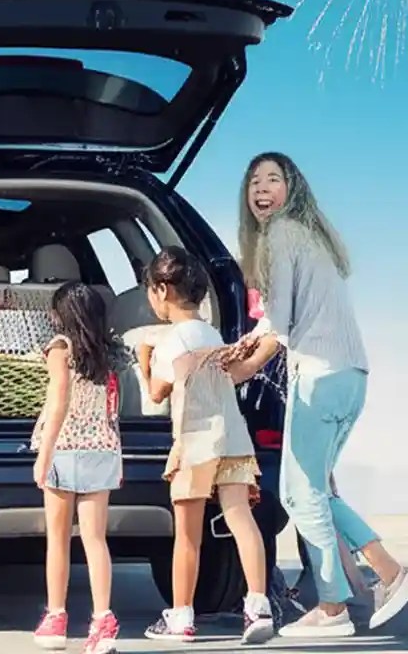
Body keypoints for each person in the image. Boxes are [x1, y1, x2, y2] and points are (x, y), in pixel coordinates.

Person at [223, 152, 407, 637]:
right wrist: (252, 336)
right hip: (350, 377)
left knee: (301, 494)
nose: (262, 188)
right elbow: (285, 316)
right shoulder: (310, 237)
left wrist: (232, 373)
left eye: (273, 179)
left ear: (292, 188)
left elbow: (280, 324)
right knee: (311, 490)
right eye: (254, 181)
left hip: (321, 378)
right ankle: (386, 574)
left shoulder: (280, 234)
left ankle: (335, 608)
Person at [137, 246, 274, 645]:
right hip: (232, 436)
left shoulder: (170, 340)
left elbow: (157, 393)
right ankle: (258, 606)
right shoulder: (212, 333)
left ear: (162, 290)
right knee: (241, 522)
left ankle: (180, 617)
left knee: (187, 536)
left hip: (195, 441)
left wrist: (143, 358)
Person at [30, 282, 124, 654]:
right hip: (101, 448)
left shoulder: (59, 348)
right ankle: (103, 620)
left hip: (64, 449)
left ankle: (56, 618)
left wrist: (44, 454)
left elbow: (58, 402)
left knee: (58, 539)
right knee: (95, 540)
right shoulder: (107, 352)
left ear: (60, 315)